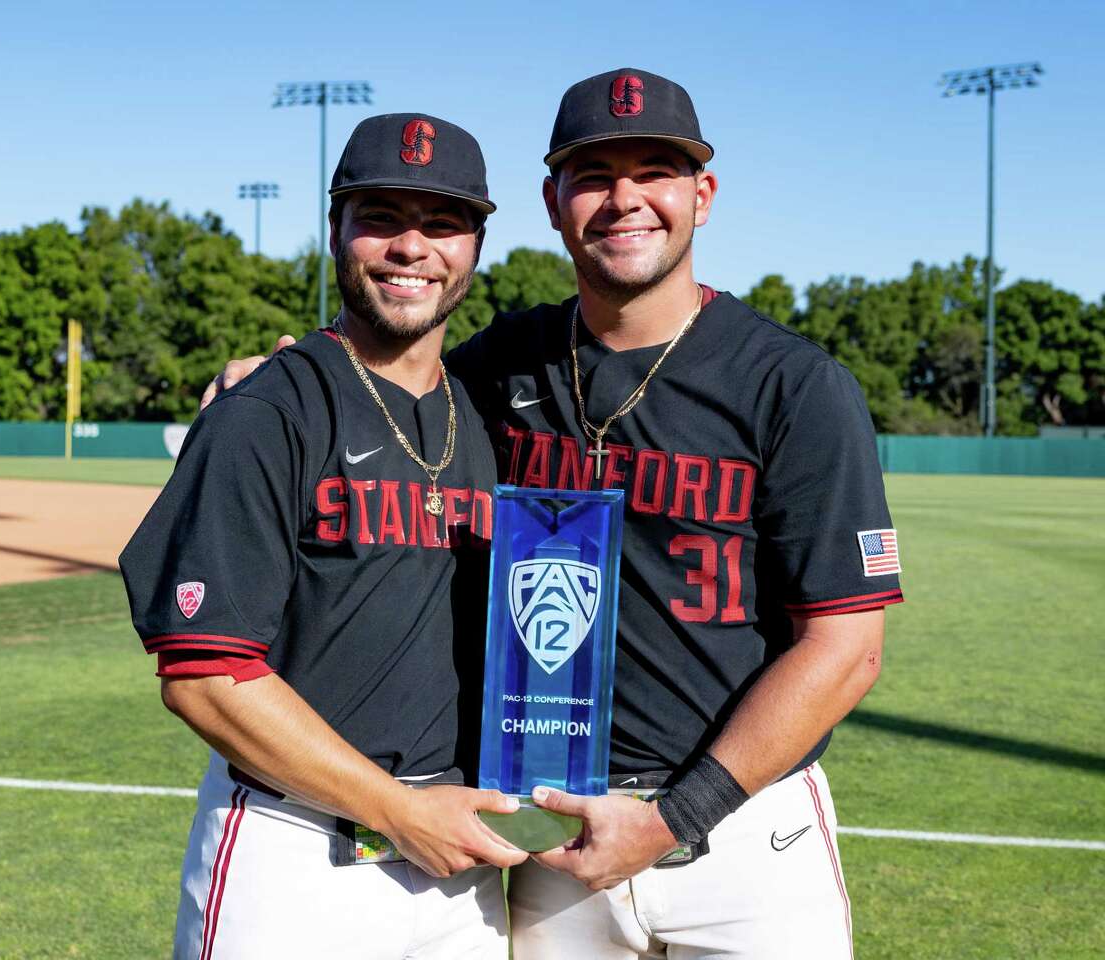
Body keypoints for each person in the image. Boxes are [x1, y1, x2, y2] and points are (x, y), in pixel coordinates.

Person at [205, 69, 903, 959]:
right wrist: (269, 383)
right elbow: (384, 370)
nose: (625, 199)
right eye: (593, 173)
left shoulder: (793, 386)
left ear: (703, 193)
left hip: (744, 837)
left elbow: (847, 650)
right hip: (550, 834)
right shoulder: (505, 364)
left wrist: (674, 818)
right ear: (552, 201)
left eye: (655, 168)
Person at [121, 113, 526, 960]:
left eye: (443, 222)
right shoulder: (270, 410)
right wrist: (398, 810)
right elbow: (205, 677)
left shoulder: (491, 416)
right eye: (381, 216)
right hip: (295, 851)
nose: (411, 247)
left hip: (463, 866)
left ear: (477, 244)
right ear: (336, 227)